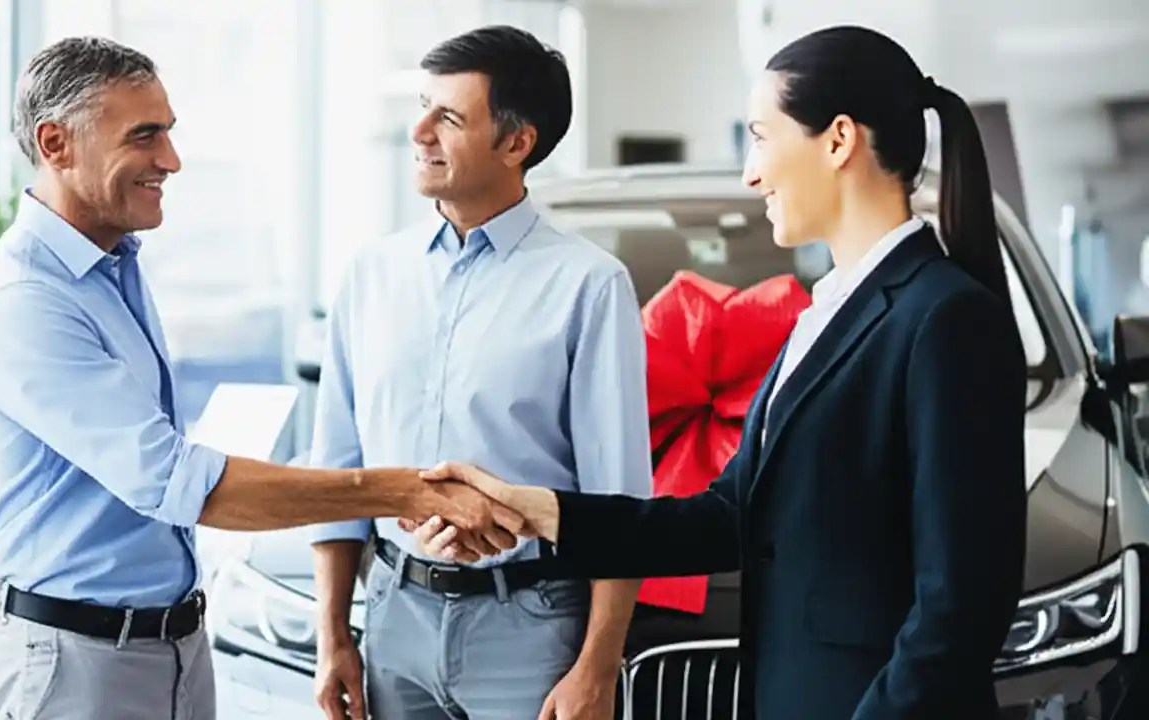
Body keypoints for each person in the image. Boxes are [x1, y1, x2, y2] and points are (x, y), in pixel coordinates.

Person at [418, 25, 1027, 720]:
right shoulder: (825, 315)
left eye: (761, 138)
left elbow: (960, 604)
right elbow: (729, 519)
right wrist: (530, 509)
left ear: (838, 141)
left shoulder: (944, 317)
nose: (751, 172)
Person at [0, 37, 521, 720]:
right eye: (145, 136)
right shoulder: (24, 302)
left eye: (169, 132)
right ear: (56, 143)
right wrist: (403, 490)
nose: (171, 159)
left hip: (173, 650)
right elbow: (172, 481)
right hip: (76, 668)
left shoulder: (114, 267)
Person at [307, 25, 653, 720]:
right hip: (393, 620)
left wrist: (597, 668)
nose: (419, 130)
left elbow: (619, 501)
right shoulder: (371, 275)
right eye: (423, 106)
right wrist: (333, 636)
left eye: (450, 117)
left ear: (516, 143)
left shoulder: (589, 285)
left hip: (529, 628)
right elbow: (337, 469)